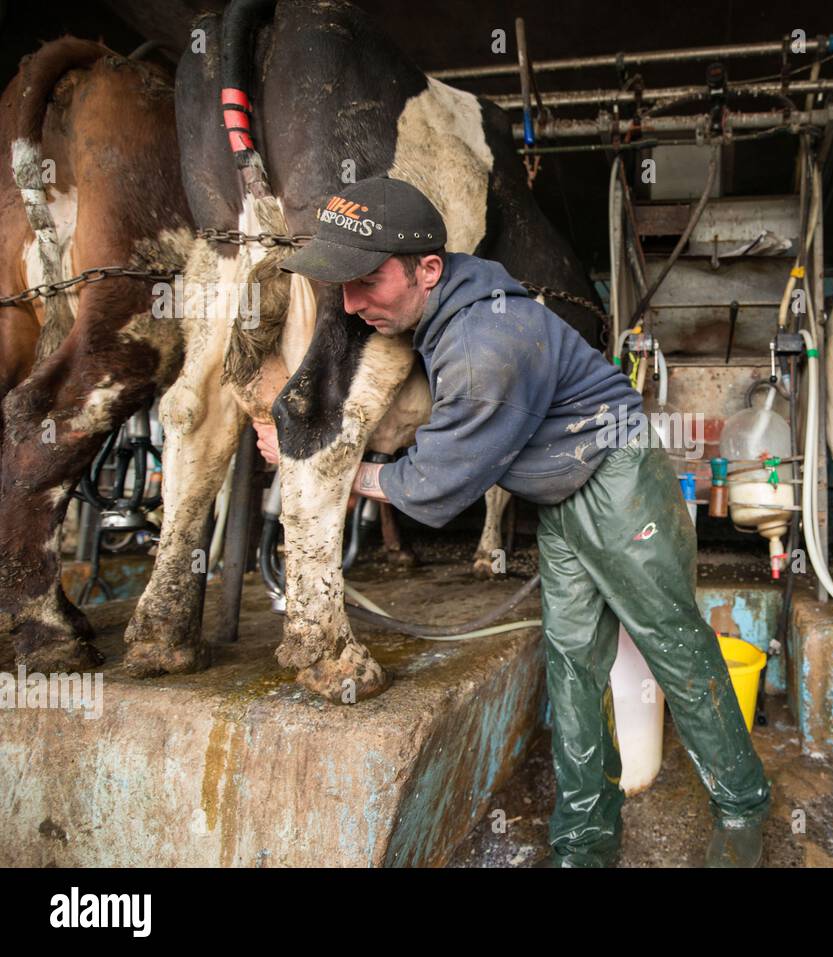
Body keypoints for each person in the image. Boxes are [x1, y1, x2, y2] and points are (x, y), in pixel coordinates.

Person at [255, 175, 772, 867]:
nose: (350, 304)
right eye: (342, 285)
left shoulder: (481, 344)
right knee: (571, 664)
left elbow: (436, 482)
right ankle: (585, 834)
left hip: (620, 483)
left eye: (367, 281)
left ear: (428, 269)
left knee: (675, 648)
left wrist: (326, 472)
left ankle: (742, 812)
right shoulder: (453, 304)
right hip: (560, 494)